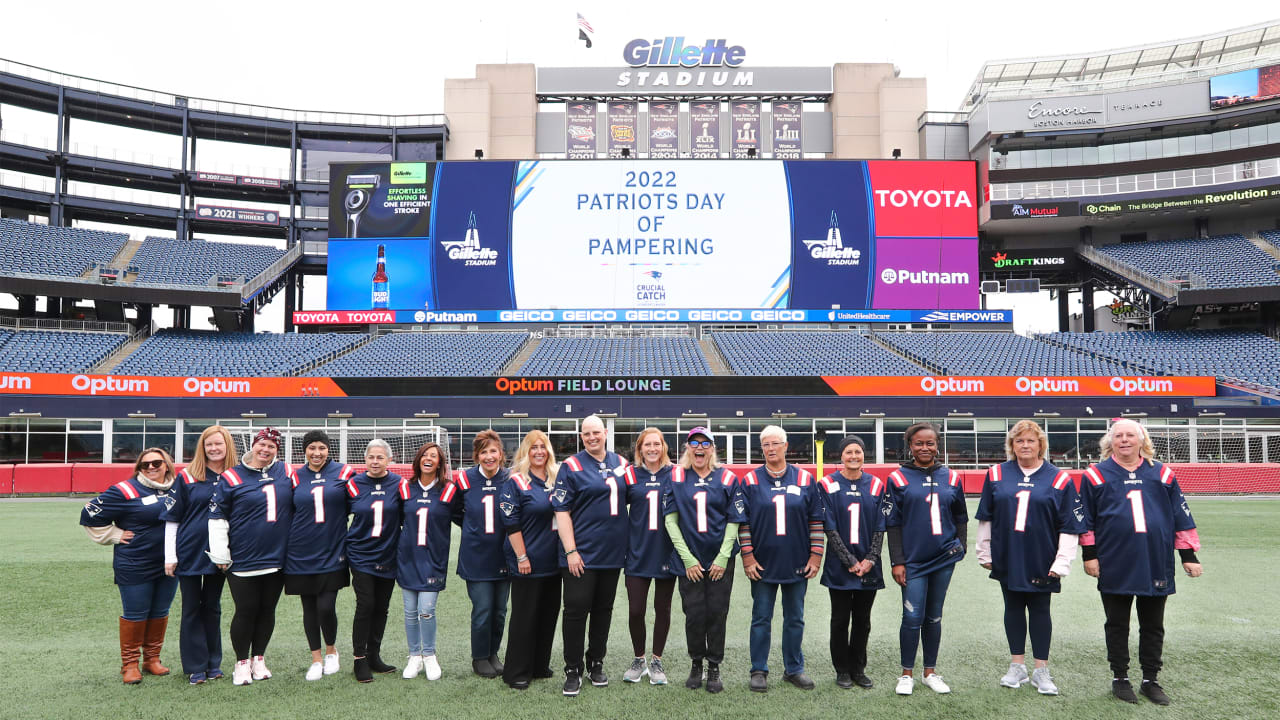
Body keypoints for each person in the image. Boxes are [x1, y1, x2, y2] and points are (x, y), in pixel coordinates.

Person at [1080, 419, 1202, 706]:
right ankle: (1120, 678)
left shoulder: (1162, 473)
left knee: (1153, 624)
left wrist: (1188, 555)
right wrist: (1090, 554)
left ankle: (1151, 679)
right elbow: (1085, 519)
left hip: (1155, 559)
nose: (1124, 440)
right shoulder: (1095, 475)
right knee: (1117, 623)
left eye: (1130, 435)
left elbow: (1180, 514)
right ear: (1110, 442)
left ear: (1141, 440)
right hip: (1114, 560)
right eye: (1118, 436)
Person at [976, 420, 1085, 696]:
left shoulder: (1058, 478)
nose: (1025, 445)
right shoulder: (997, 474)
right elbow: (986, 517)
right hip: (1008, 553)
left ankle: (1041, 670)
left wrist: (1062, 560)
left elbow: (1069, 525)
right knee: (1012, 607)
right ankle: (1017, 666)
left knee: (1040, 610)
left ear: (1041, 445)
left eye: (1031, 441)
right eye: (1019, 441)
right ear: (1012, 445)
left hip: (1042, 555)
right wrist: (984, 550)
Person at [737, 425, 824, 693]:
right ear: (761, 448)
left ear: (786, 446)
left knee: (795, 618)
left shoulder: (806, 480)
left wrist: (816, 555)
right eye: (766, 444)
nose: (771, 448)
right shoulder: (750, 481)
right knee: (761, 617)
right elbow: (743, 523)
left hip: (797, 562)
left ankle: (794, 669)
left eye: (775, 443)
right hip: (762, 564)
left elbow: (816, 521)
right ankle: (759, 669)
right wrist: (748, 557)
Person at [81, 448, 179, 684]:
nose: (152, 468)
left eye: (157, 463)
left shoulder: (178, 487)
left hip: (169, 563)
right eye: (146, 465)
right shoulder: (125, 489)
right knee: (136, 613)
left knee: (160, 612)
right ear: (139, 468)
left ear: (167, 464)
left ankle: (152, 659)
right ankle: (130, 664)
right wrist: (114, 534)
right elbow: (89, 513)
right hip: (135, 563)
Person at [208, 428, 297, 686]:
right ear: (254, 445)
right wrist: (220, 553)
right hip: (244, 557)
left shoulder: (286, 472)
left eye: (271, 446)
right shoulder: (232, 476)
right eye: (262, 445)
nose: (265, 450)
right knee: (245, 611)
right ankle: (241, 663)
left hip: (278, 557)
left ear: (277, 450)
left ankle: (259, 658)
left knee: (267, 610)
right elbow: (217, 516)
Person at [885, 422, 967, 696]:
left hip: (944, 557)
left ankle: (929, 672)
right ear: (910, 446)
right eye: (919, 443)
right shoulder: (897, 478)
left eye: (929, 443)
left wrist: (961, 547)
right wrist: (897, 560)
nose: (924, 448)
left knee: (934, 617)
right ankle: (906, 673)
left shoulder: (952, 477)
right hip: (913, 561)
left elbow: (960, 517)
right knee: (911, 617)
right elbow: (892, 523)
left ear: (937, 445)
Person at [552, 414, 630, 696]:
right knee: (575, 611)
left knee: (603, 611)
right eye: (586, 434)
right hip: (581, 555)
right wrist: (571, 550)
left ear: (605, 433)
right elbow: (561, 512)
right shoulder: (571, 466)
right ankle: (572, 669)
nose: (592, 437)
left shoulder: (622, 464)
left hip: (611, 555)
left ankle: (596, 661)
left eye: (596, 432)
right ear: (581, 436)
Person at [663, 427, 744, 694]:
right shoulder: (675, 476)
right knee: (694, 613)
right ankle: (696, 662)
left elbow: (734, 520)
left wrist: (722, 556)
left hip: (720, 559)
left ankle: (714, 665)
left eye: (705, 443)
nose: (699, 448)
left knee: (717, 612)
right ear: (688, 448)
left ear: (712, 448)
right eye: (694, 443)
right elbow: (670, 521)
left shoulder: (728, 478)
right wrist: (687, 559)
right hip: (690, 561)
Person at [163, 427, 234, 684]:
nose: (213, 449)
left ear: (227, 445)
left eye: (218, 444)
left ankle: (214, 663)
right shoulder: (188, 477)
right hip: (190, 551)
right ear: (202, 449)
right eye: (208, 445)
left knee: (213, 608)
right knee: (192, 608)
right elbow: (173, 519)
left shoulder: (235, 476)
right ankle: (195, 665)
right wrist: (169, 556)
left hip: (221, 553)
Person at [285, 430, 354, 681]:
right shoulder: (293, 476)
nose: (317, 453)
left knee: (326, 606)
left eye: (321, 448)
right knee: (309, 608)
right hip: (301, 551)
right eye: (312, 447)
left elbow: (357, 504)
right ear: (304, 450)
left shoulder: (344, 473)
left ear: (329, 449)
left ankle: (331, 650)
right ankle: (315, 658)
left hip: (333, 548)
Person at [817, 435, 885, 691]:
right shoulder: (827, 485)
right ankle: (842, 669)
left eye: (858, 451)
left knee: (863, 620)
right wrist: (849, 560)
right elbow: (829, 527)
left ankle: (858, 668)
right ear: (841, 456)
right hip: (840, 567)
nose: (854, 456)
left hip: (868, 566)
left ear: (863, 455)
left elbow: (880, 526)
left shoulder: (876, 485)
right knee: (839, 619)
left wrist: (869, 559)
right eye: (849, 452)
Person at [500, 430, 562, 689]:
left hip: (553, 562)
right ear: (526, 451)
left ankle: (538, 665)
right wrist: (522, 556)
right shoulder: (516, 482)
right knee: (525, 618)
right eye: (533, 447)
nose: (539, 452)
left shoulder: (556, 479)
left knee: (548, 615)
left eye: (543, 447)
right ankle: (516, 672)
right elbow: (511, 524)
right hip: (527, 562)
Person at [453, 430, 512, 678]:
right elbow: (454, 511)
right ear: (477, 456)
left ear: (501, 454)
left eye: (493, 451)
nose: (489, 456)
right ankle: (479, 657)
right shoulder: (465, 480)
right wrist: (473, 529)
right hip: (476, 556)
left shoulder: (510, 478)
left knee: (500, 611)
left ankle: (493, 654)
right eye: (484, 452)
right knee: (483, 609)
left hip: (504, 556)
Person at [398, 441, 458, 681]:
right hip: (408, 558)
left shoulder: (448, 490)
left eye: (434, 455)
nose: (429, 458)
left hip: (433, 559)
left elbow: (466, 516)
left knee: (426, 610)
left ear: (440, 463)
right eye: (425, 454)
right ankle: (414, 656)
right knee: (410, 612)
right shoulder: (404, 488)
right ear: (418, 459)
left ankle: (430, 655)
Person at [621, 427, 676, 685]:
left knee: (662, 609)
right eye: (647, 445)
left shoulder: (675, 473)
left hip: (666, 552)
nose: (652, 449)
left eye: (657, 444)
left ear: (663, 447)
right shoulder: (630, 475)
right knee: (635, 611)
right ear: (640, 449)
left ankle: (656, 661)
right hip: (637, 552)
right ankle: (638, 658)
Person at [346, 438, 404, 683]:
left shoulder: (399, 484)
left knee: (381, 607)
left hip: (388, 554)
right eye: (371, 457)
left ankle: (374, 655)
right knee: (366, 604)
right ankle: (359, 658)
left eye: (380, 457)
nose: (375, 461)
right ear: (365, 460)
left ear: (389, 460)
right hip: (361, 554)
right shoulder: (354, 484)